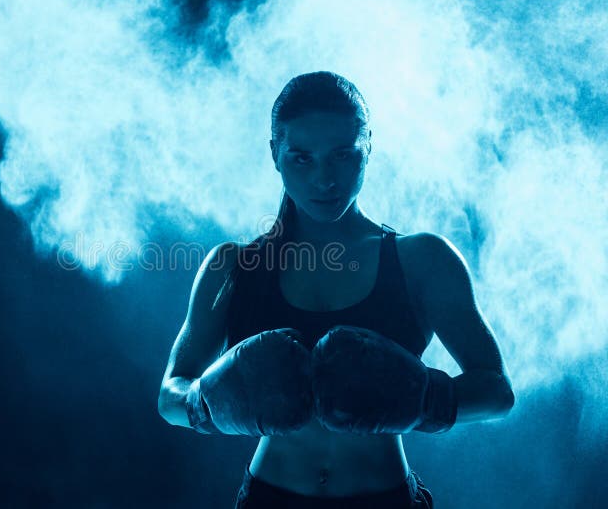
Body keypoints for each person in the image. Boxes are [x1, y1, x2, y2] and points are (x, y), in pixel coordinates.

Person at [157, 71, 515, 508]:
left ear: (369, 146)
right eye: (301, 158)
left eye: (343, 155)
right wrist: (204, 401)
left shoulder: (422, 259)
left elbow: (497, 392)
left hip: (385, 499)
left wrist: (426, 398)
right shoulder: (232, 267)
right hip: (270, 498)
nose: (324, 179)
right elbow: (169, 395)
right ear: (274, 154)